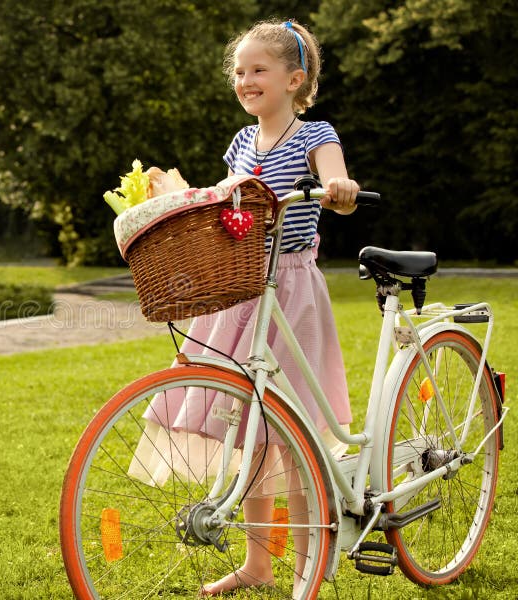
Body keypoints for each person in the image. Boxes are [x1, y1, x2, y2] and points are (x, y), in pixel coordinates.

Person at [148, 18, 359, 596]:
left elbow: (336, 184)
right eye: (239, 71)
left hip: (290, 289)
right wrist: (185, 198)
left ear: (295, 79)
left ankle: (304, 565)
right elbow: (229, 203)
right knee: (248, 426)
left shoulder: (317, 136)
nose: (245, 80)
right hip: (242, 289)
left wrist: (339, 190)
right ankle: (258, 564)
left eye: (258, 70)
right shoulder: (241, 143)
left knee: (291, 428)